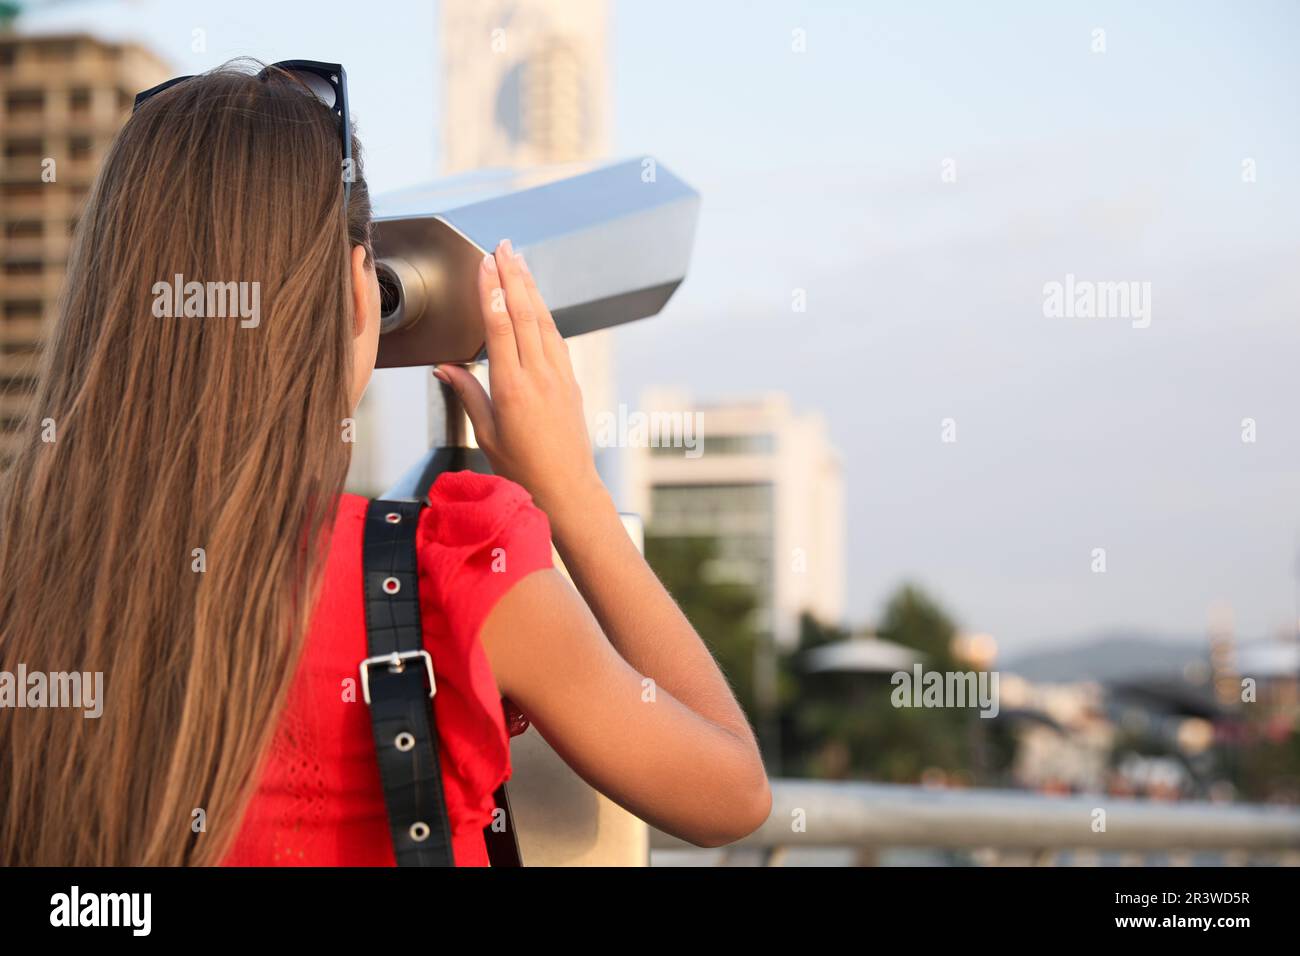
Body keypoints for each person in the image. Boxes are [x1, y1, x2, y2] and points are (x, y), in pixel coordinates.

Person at [0, 62, 770, 866]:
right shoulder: (447, 576)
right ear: (362, 299)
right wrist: (571, 492)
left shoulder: (29, 586)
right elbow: (731, 796)